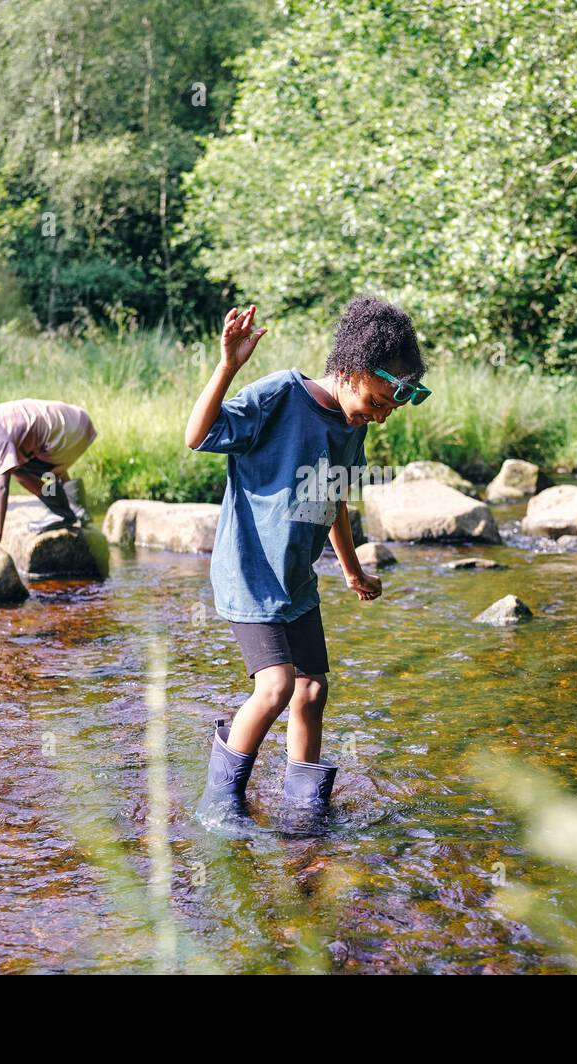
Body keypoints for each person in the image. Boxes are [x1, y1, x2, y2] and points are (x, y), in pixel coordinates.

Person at [185, 296, 430, 830]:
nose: (381, 415)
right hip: (250, 573)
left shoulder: (352, 424)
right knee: (274, 688)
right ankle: (220, 802)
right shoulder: (280, 396)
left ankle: (303, 805)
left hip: (296, 580)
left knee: (313, 689)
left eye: (390, 408)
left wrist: (350, 569)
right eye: (377, 400)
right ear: (349, 371)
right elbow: (198, 435)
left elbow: (334, 498)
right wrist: (228, 365)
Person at [0, 397, 97, 548]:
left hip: (72, 434)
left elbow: (1, 487)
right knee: (40, 462)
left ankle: (62, 513)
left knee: (20, 470)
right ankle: (76, 506)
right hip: (75, 420)